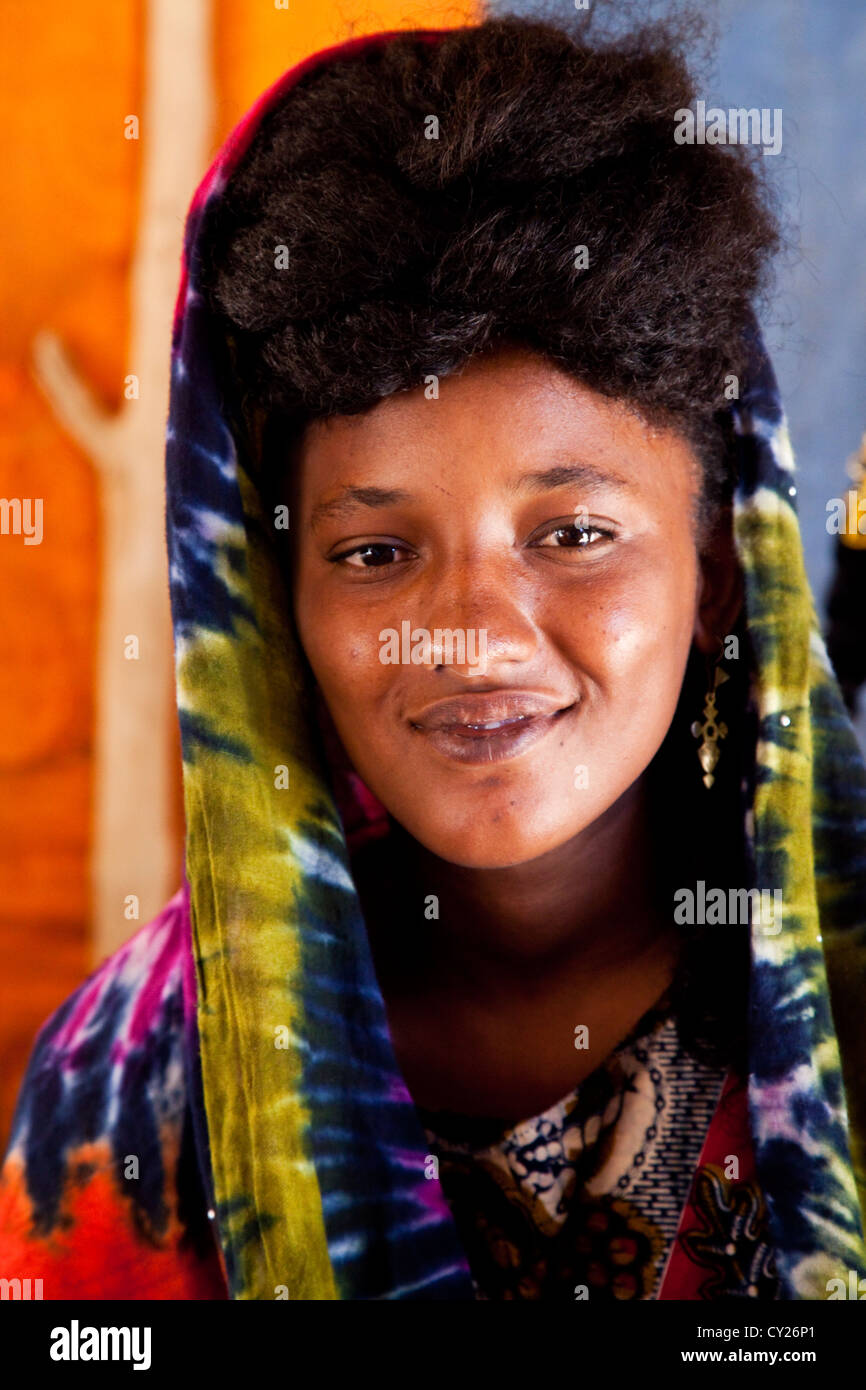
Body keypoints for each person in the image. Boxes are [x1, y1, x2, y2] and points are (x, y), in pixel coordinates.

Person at [1, 11, 865, 1302]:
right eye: (371, 552)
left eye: (572, 531)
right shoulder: (135, 1085)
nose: (467, 627)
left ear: (717, 574)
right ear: (263, 600)